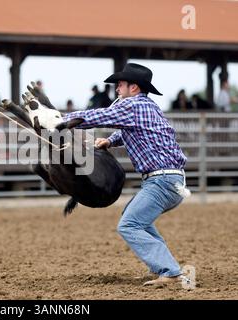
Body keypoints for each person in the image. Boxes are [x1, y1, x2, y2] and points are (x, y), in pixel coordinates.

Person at [60, 63, 190, 286]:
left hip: (161, 181)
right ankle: (166, 267)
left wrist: (59, 120)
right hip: (170, 180)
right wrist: (110, 141)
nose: (117, 89)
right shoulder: (148, 107)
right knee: (137, 220)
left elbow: (99, 116)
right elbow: (128, 129)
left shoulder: (133, 106)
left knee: (129, 224)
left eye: (121, 84)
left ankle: (170, 272)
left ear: (135, 88)